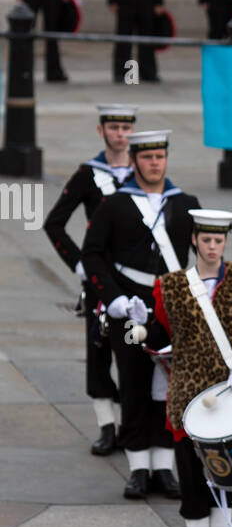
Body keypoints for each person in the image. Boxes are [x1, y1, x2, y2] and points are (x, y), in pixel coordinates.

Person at [82, 129, 199, 499]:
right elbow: (92, 254)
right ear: (134, 161)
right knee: (132, 383)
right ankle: (138, 468)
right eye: (147, 158)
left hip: (171, 306)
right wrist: (113, 298)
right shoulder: (115, 205)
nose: (154, 163)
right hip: (129, 306)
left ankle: (164, 467)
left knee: (165, 388)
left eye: (159, 157)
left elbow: (203, 256)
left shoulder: (185, 204)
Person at [148, 209, 232, 527]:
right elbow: (157, 337)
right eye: (206, 240)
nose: (213, 247)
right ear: (195, 241)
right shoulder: (171, 285)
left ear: (225, 241)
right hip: (186, 392)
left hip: (228, 393)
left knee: (225, 470)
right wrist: (138, 330)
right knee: (190, 469)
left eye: (219, 240)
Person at [44, 104, 136, 454]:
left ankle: (132, 422)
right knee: (98, 351)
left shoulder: (143, 172)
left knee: (135, 352)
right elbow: (55, 223)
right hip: (98, 278)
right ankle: (106, 425)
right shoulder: (88, 173)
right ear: (102, 131)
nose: (120, 135)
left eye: (126, 129)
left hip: (133, 278)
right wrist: (79, 264)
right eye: (113, 128)